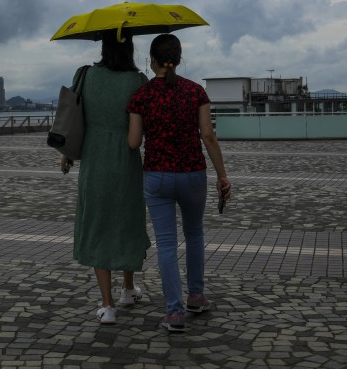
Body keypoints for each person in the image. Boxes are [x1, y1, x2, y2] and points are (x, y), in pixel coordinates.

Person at [127, 33, 231, 332]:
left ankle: (174, 313)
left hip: (157, 176)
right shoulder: (195, 92)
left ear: (152, 60)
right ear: (179, 59)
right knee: (195, 234)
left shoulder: (142, 95)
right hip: (193, 174)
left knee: (167, 243)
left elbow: (134, 143)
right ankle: (197, 296)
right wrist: (222, 174)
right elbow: (208, 136)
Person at [59, 29, 151, 325]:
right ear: (130, 48)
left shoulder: (85, 75)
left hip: (94, 157)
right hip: (126, 158)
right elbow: (145, 125)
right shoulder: (137, 81)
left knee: (98, 222)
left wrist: (67, 154)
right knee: (126, 220)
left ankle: (107, 305)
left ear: (104, 46)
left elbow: (74, 120)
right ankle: (127, 288)